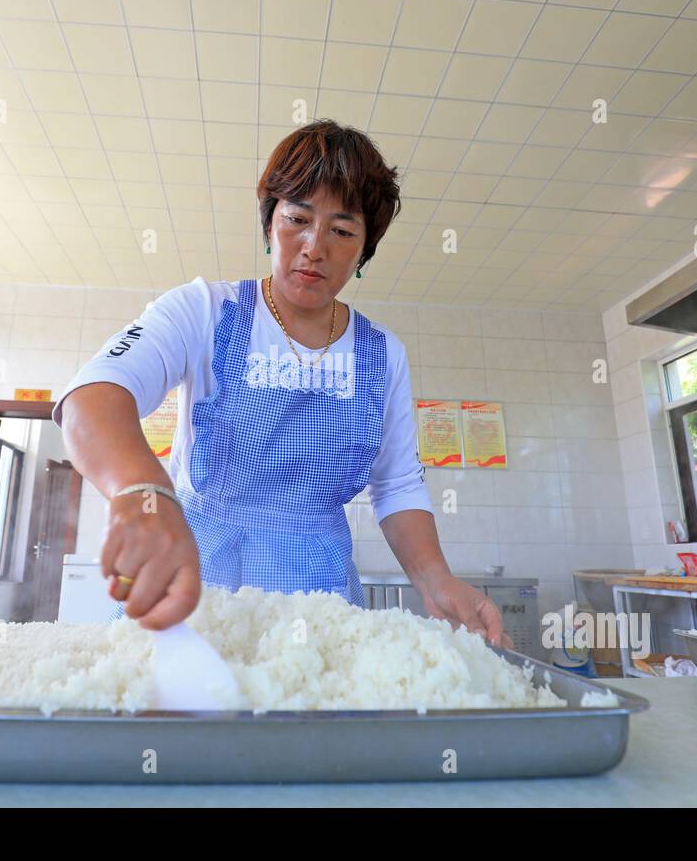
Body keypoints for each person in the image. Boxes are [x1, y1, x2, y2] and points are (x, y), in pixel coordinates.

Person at [55, 119, 511, 648]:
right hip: (193, 578)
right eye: (297, 218)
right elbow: (94, 395)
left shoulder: (382, 353)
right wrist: (142, 494)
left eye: (342, 231)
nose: (314, 247)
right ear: (270, 222)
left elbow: (398, 483)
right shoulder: (206, 310)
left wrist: (436, 579)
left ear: (365, 250)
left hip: (318, 598)